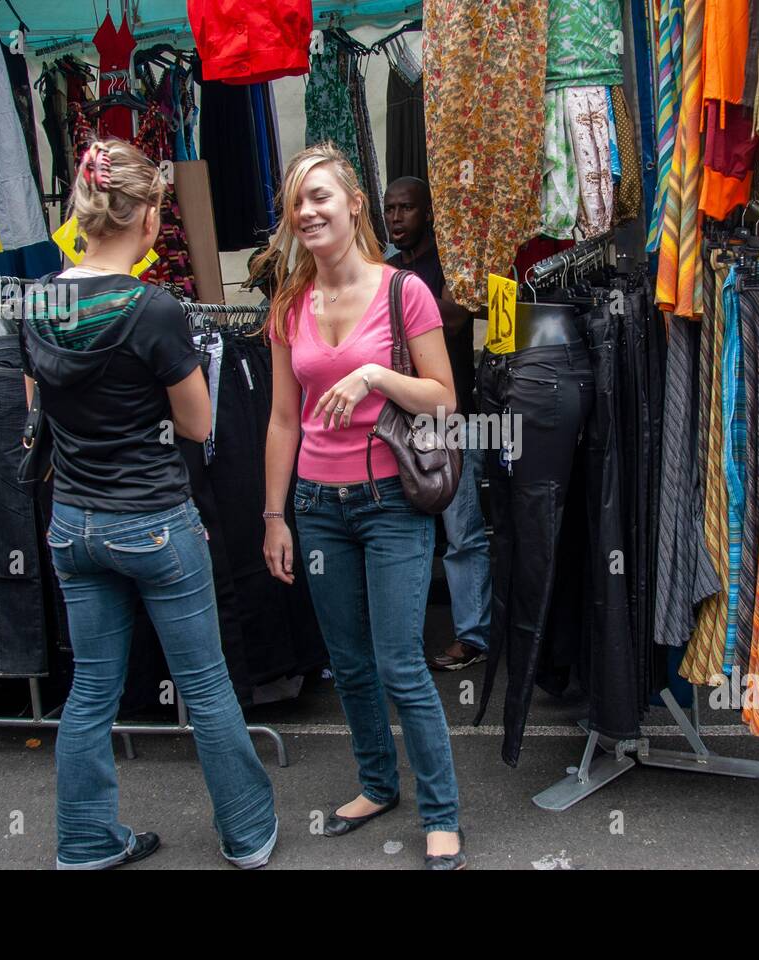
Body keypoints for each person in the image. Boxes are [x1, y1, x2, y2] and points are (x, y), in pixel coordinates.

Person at [22, 139, 278, 870]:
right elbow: (198, 425)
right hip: (154, 522)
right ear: (146, 217)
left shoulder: (37, 300)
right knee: (205, 681)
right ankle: (248, 834)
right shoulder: (153, 309)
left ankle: (83, 842)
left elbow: (34, 410)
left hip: (73, 521)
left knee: (91, 691)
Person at [258, 143, 466, 869]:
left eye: (320, 197)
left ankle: (442, 812)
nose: (307, 211)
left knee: (399, 662)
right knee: (347, 663)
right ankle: (378, 783)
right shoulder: (289, 304)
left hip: (390, 504)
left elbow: (443, 397)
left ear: (354, 204)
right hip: (317, 506)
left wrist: (376, 374)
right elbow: (284, 419)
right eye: (296, 202)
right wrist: (274, 515)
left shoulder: (402, 291)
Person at [383, 177, 492, 671]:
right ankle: (401, 636)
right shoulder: (382, 271)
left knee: (461, 529)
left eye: (407, 208)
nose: (397, 218)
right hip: (397, 418)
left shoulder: (448, 266)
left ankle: (472, 636)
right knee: (403, 529)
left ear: (428, 213)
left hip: (450, 418)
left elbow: (452, 317)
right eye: (390, 210)